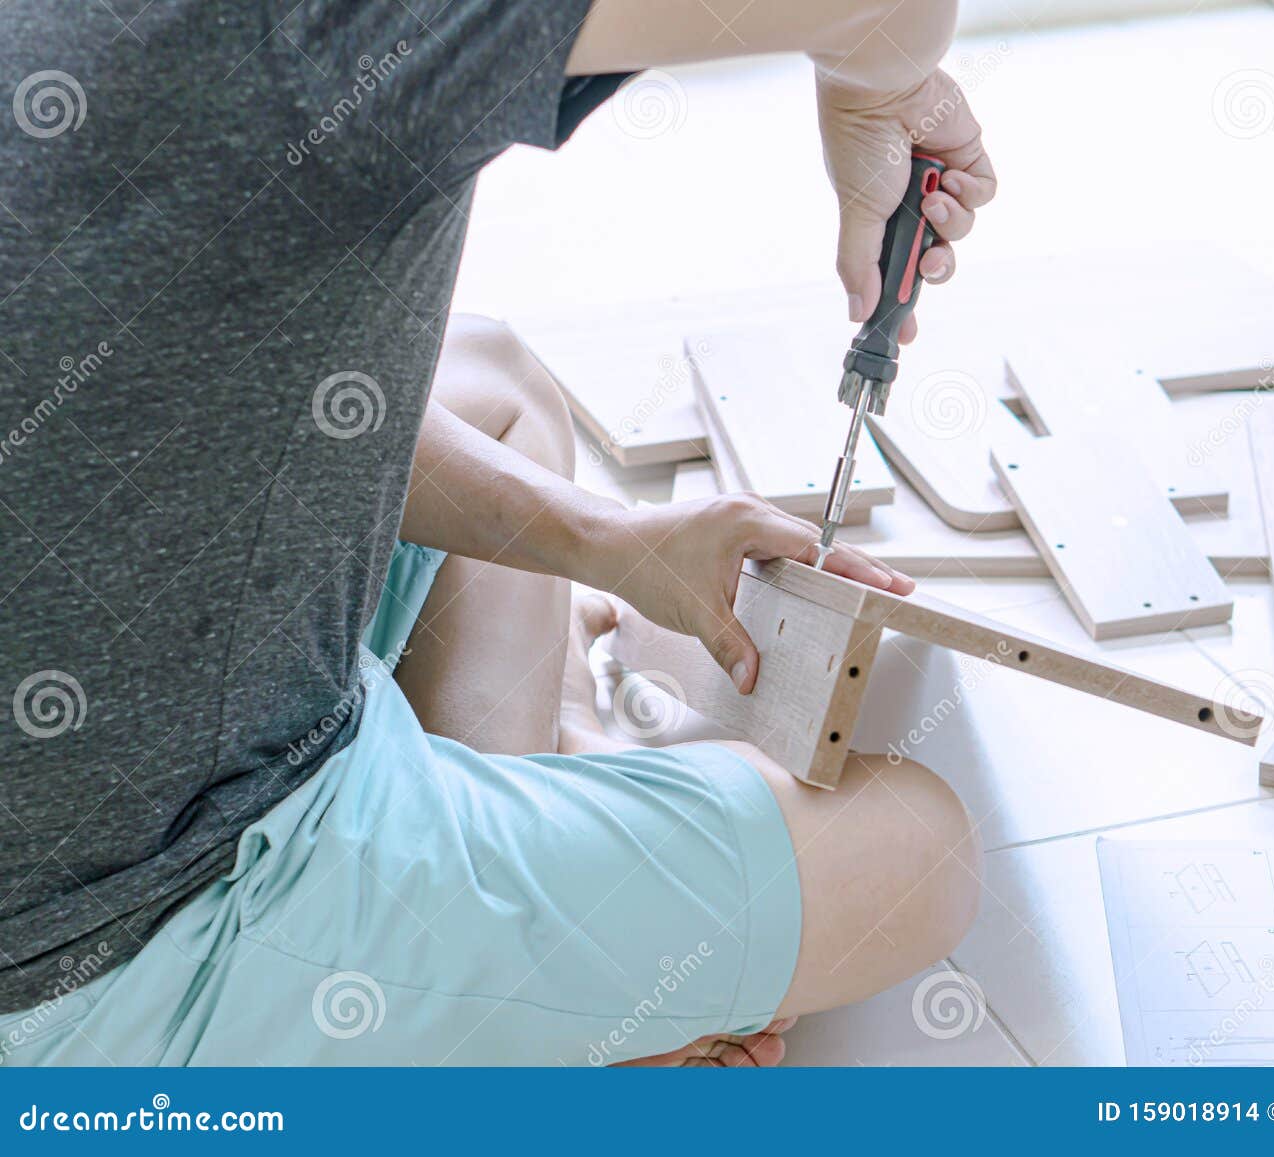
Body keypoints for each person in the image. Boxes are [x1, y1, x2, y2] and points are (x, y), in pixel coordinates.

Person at [0, 0, 996, 1065]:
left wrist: (617, 542)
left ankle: (512, 907)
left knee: (498, 382)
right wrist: (879, 92)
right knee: (917, 851)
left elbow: (255, 376)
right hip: (118, 961)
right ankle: (498, 1043)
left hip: (103, 754)